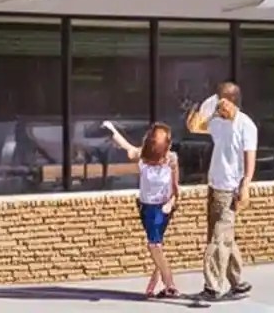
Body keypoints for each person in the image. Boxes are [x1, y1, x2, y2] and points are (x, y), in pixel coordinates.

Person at [185, 81, 256, 302]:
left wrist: (245, 186)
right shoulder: (217, 122)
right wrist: (197, 109)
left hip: (231, 190)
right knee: (222, 237)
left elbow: (250, 159)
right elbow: (195, 127)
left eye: (220, 102)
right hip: (215, 187)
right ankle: (238, 283)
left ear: (231, 101)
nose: (218, 106)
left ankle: (213, 288)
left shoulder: (246, 125)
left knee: (218, 240)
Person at [102, 120, 181, 299]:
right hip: (147, 207)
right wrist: (112, 130)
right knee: (157, 245)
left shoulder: (172, 159)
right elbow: (127, 146)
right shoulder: (143, 157)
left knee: (154, 245)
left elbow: (176, 187)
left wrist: (171, 202)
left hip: (164, 207)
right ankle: (156, 285)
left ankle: (169, 283)